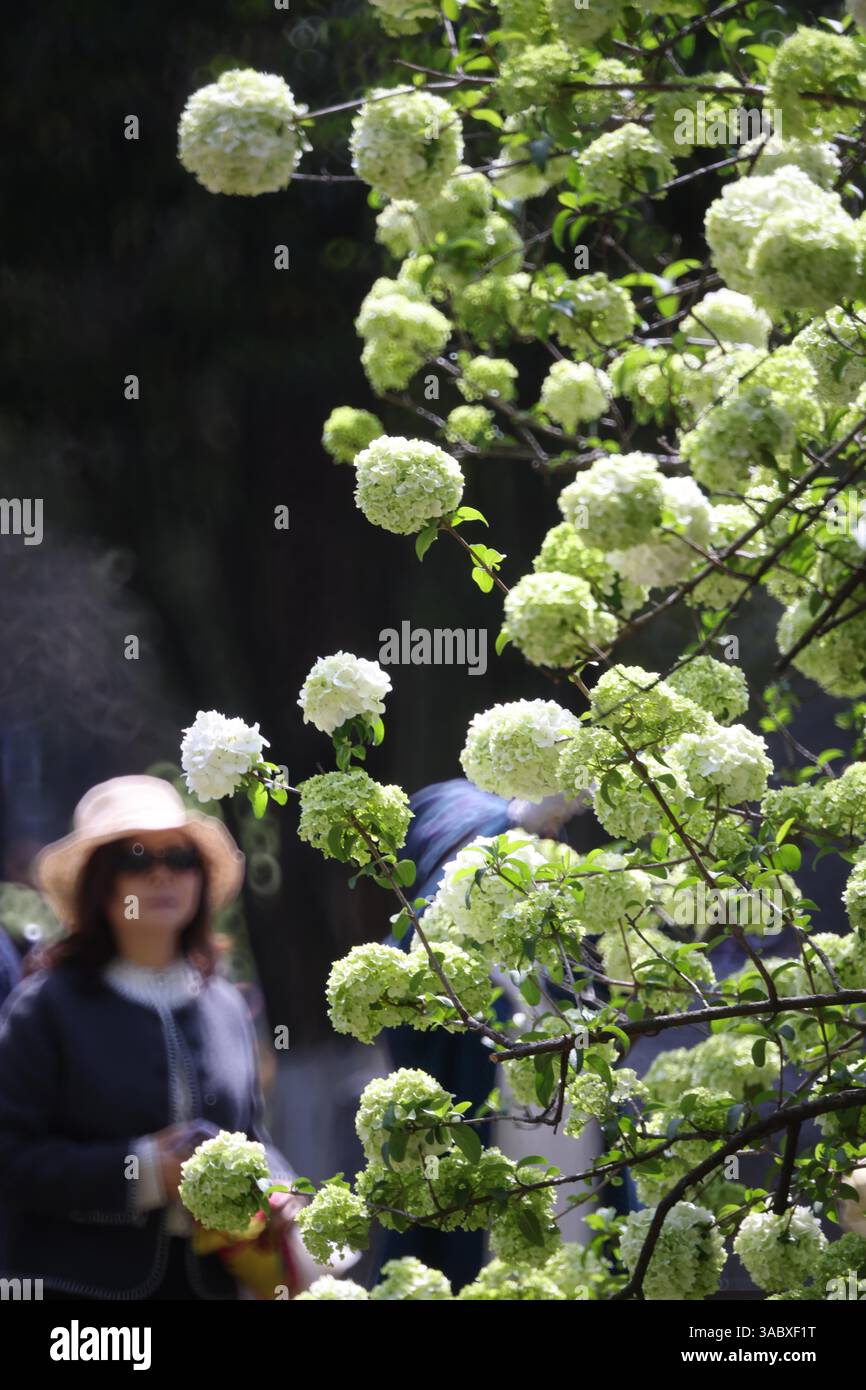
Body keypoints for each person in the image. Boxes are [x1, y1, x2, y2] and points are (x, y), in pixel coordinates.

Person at [0, 774, 302, 1300]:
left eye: (181, 859)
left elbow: (253, 1135)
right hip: (80, 1304)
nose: (162, 876)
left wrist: (283, 1194)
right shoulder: (44, 1007)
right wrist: (140, 1170)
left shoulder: (226, 1004)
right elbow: (10, 1159)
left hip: (212, 1289)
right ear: (99, 882)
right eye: (136, 859)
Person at [375, 778, 593, 1289]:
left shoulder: (556, 962)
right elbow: (413, 936)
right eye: (492, 860)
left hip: (578, 1208)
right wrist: (513, 823)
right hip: (484, 1217)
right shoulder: (423, 959)